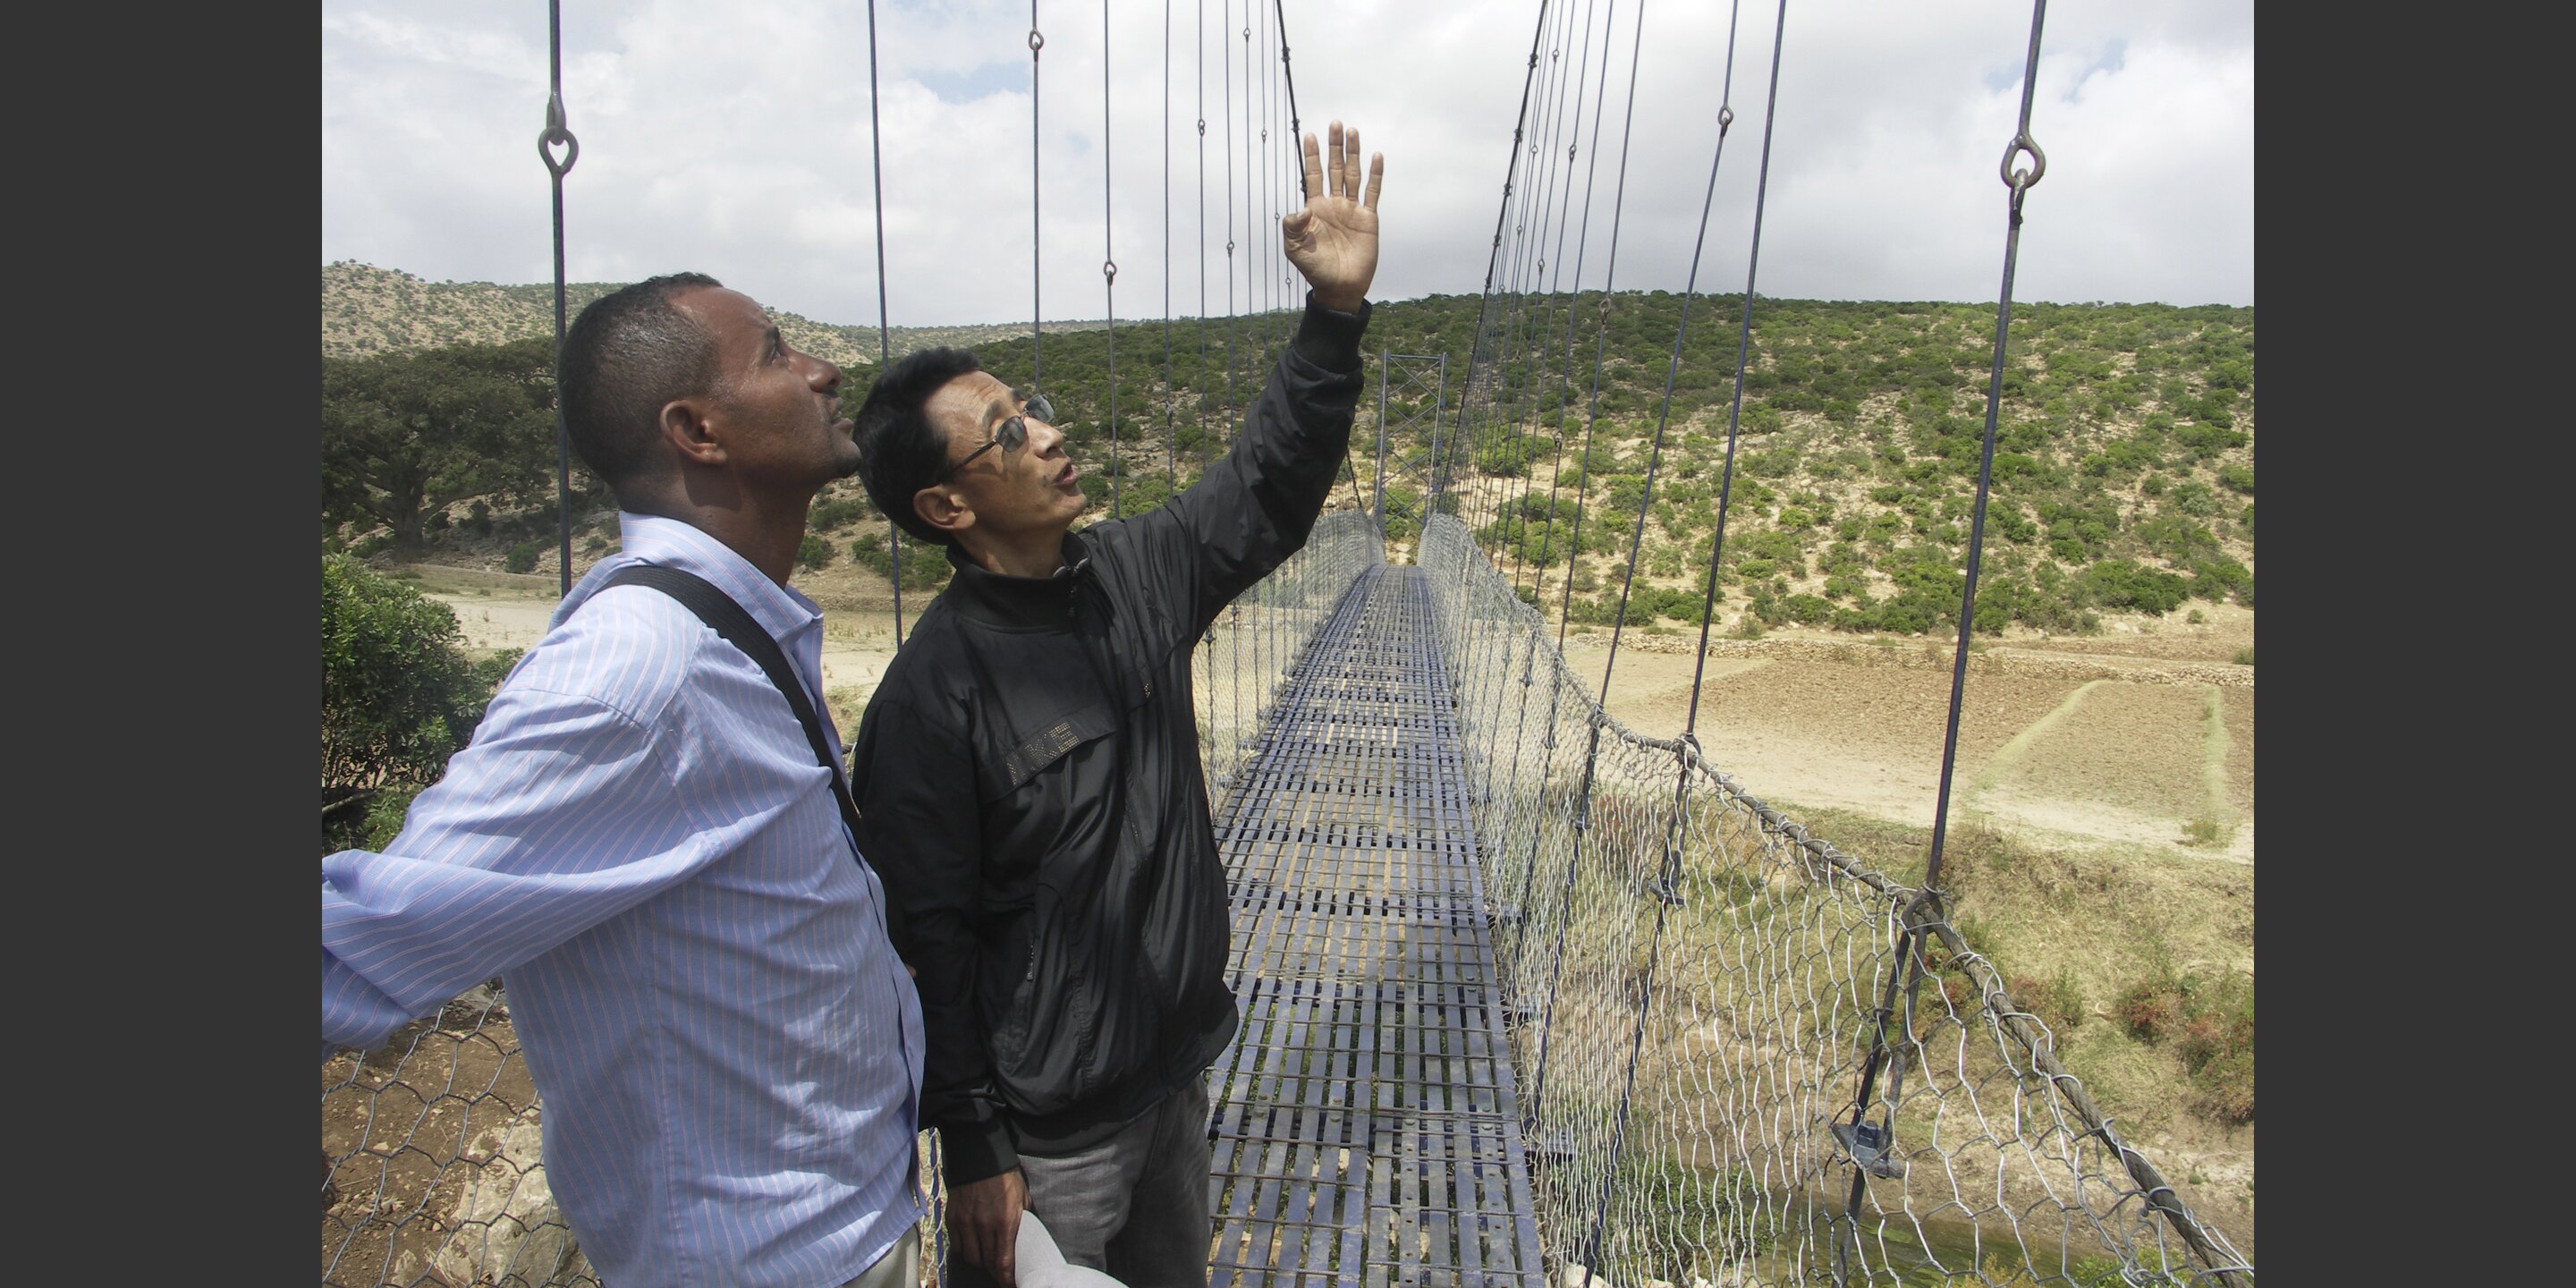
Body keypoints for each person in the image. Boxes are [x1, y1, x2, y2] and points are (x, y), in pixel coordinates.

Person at [846, 122, 1385, 1288]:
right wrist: (974, 1145)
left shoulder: (1135, 573)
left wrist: (1334, 314)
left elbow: (1268, 486)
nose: (1049, 434)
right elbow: (925, 940)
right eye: (1008, 434)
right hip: (1051, 1142)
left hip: (1173, 1074)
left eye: (1031, 407)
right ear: (946, 509)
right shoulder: (931, 698)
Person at [321, 273, 928, 1288]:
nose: (824, 370)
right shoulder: (644, 669)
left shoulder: (724, 629)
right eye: (776, 353)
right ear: (696, 430)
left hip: (842, 1225)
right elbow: (365, 936)